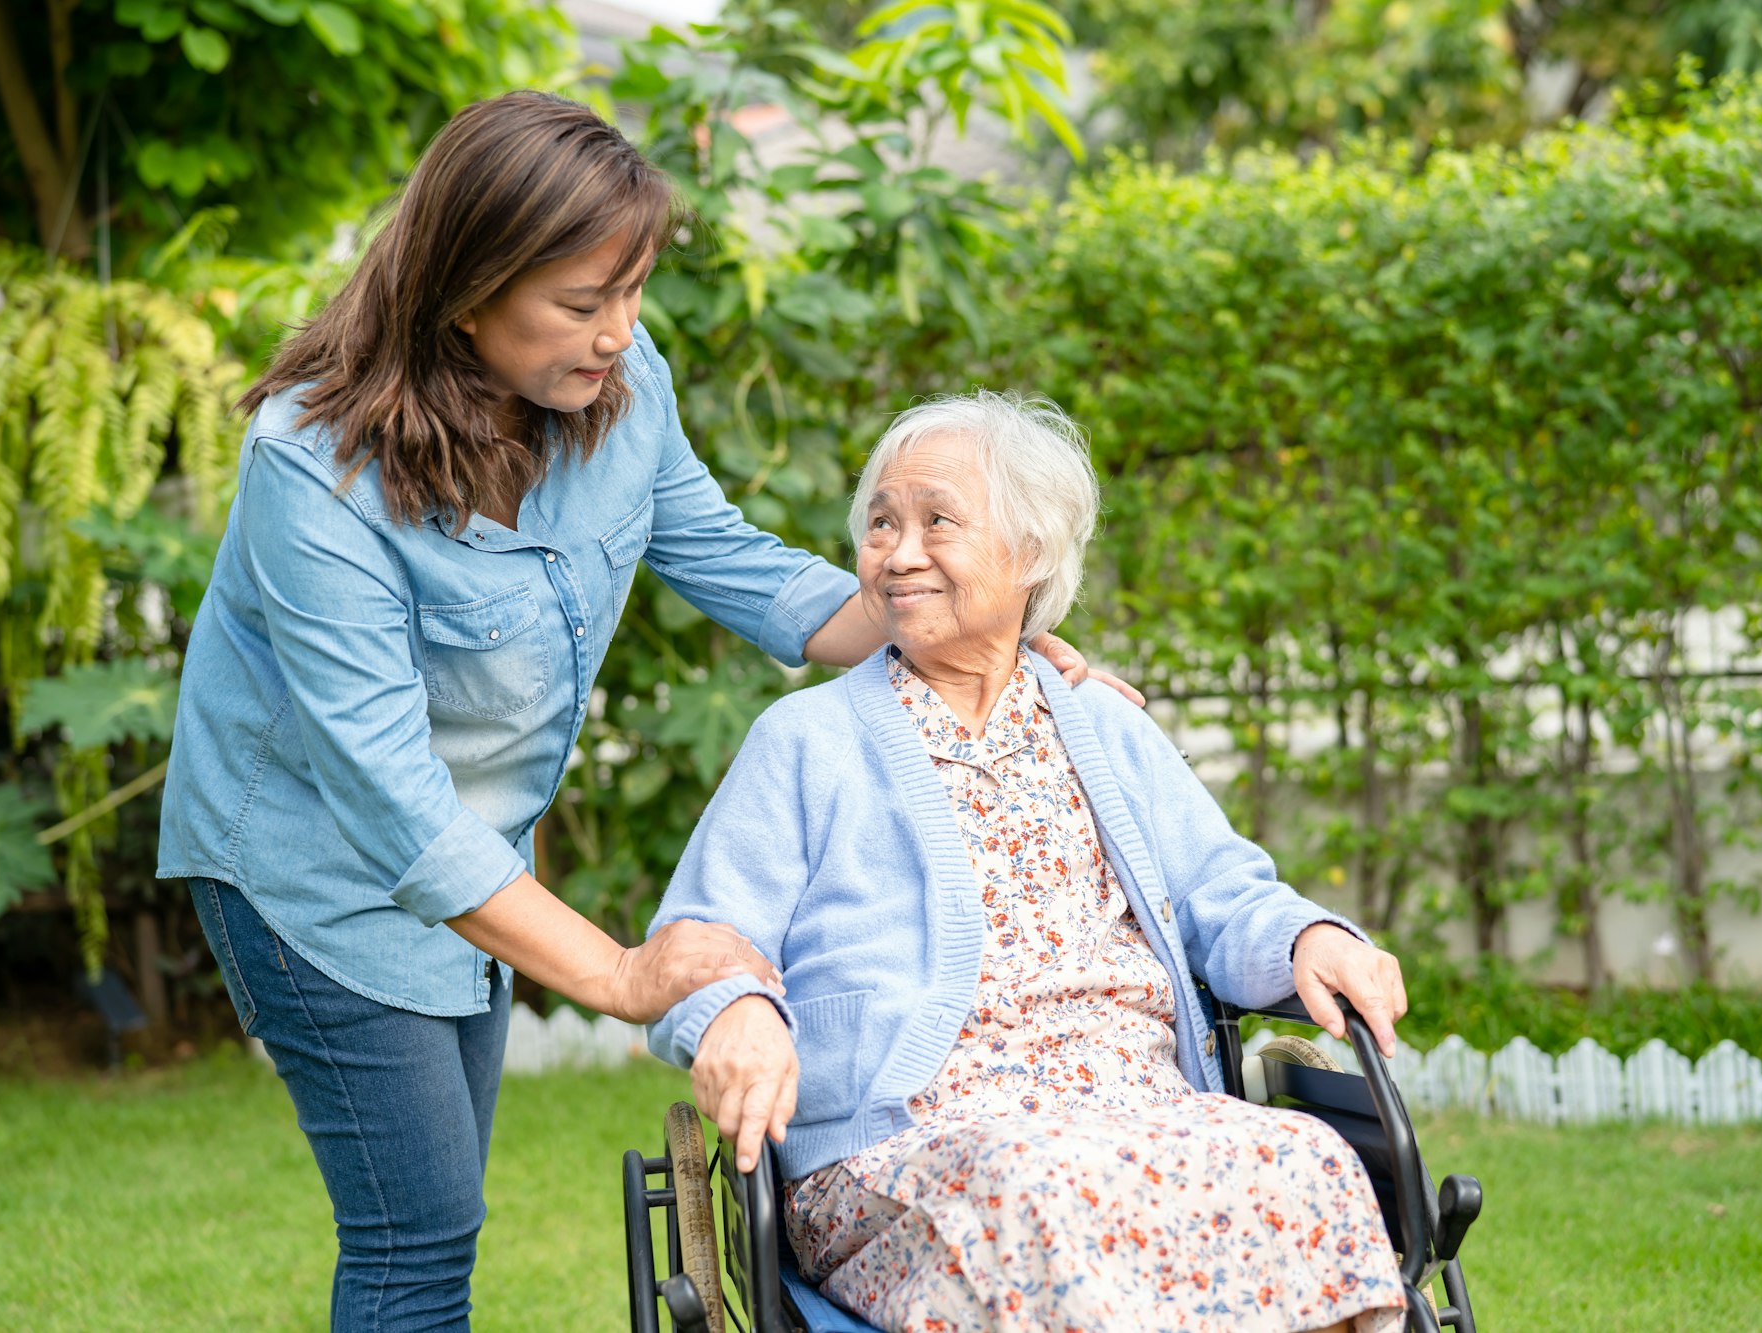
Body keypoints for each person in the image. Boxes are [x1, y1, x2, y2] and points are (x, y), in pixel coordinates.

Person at [157, 92, 1126, 1332]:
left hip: (475, 863)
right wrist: (620, 972)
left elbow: (735, 561)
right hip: (310, 869)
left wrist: (967, 618)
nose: (618, 333)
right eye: (579, 303)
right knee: (416, 1235)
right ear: (465, 289)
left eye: (631, 292)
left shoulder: (616, 384)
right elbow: (393, 808)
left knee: (437, 1217)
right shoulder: (315, 470)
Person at [647, 391, 1412, 1333]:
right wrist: (739, 1008)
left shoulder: (1105, 726)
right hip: (904, 1143)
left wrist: (1309, 936)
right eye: (881, 522)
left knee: (1311, 1160)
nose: (900, 550)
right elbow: (703, 934)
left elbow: (1224, 891)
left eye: (938, 520)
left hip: (1140, 1109)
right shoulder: (805, 738)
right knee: (1039, 1188)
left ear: (1034, 555)